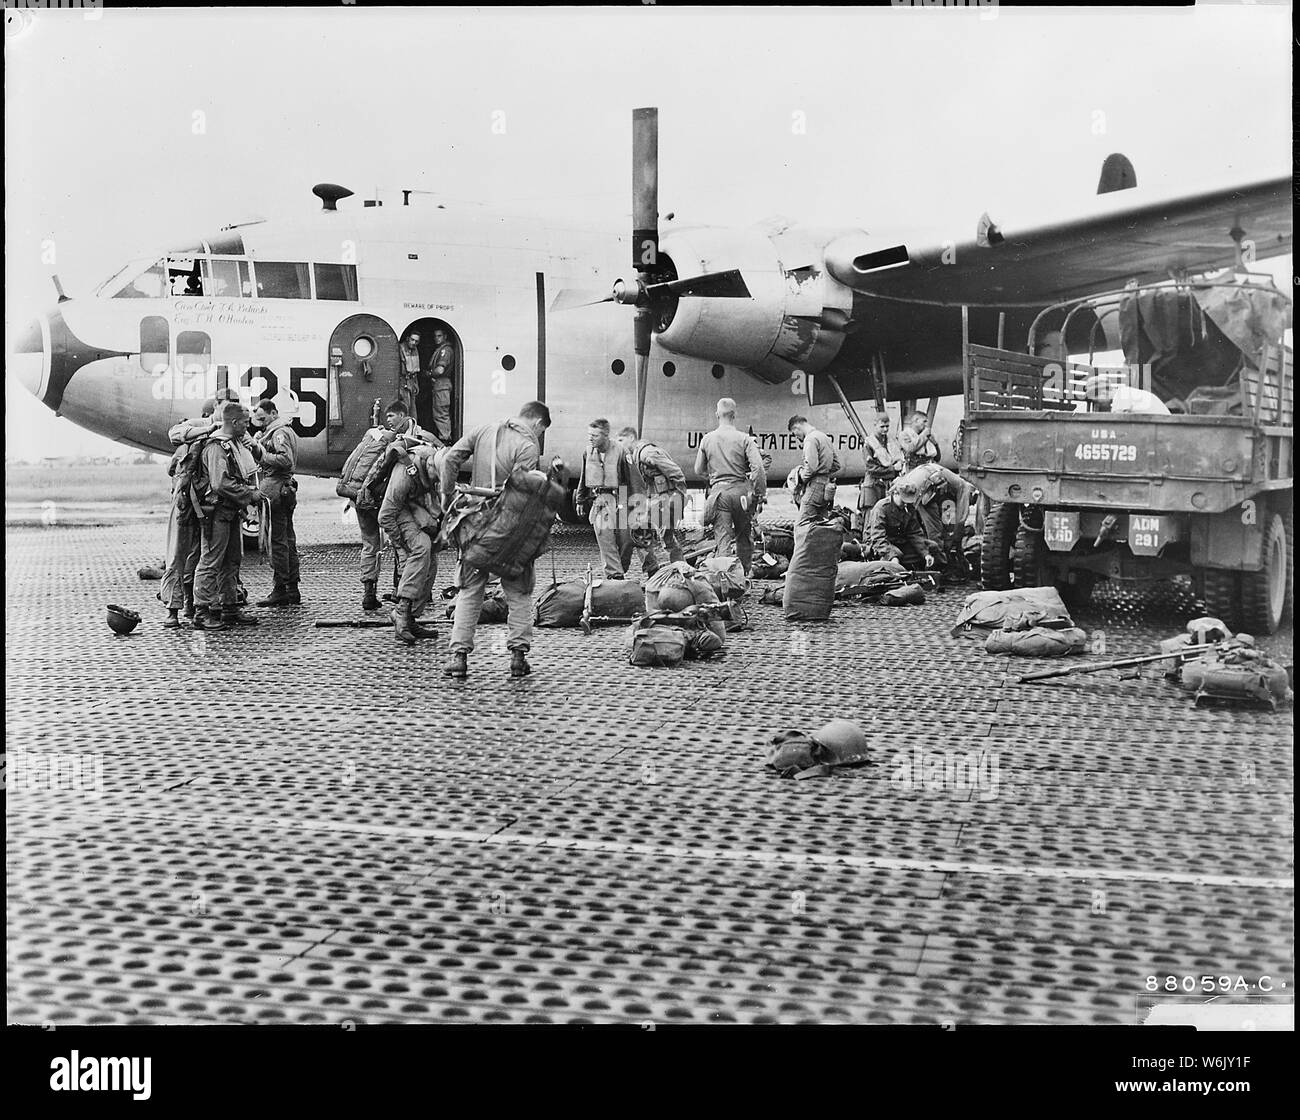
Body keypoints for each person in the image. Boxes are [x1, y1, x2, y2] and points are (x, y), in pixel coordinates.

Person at [439, 400, 558, 679]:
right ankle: (518, 658)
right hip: (508, 529)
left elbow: (449, 459)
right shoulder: (528, 447)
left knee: (469, 590)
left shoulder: (483, 430)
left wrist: (447, 496)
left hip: (474, 523)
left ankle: (459, 658)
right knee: (518, 591)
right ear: (538, 423)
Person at [192, 401, 264, 630]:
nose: (247, 426)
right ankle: (201, 612)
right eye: (244, 422)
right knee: (211, 561)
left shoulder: (232, 444)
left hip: (230, 511)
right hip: (216, 513)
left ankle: (230, 609)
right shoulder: (216, 447)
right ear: (234, 422)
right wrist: (249, 495)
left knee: (232, 560)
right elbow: (220, 483)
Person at [160, 399, 221, 626]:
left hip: (194, 506)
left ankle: (183, 608)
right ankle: (182, 608)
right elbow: (175, 433)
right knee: (187, 556)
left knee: (186, 557)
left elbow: (170, 469)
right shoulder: (201, 437)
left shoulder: (193, 444)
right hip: (193, 506)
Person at [378, 444, 442, 644]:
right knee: (421, 546)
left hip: (412, 505)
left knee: (432, 556)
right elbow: (385, 515)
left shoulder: (435, 468)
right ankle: (401, 612)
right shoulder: (405, 472)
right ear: (430, 465)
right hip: (396, 511)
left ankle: (411, 617)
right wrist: (401, 546)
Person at [694, 398, 766, 575]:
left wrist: (714, 481)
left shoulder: (707, 439)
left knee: (723, 539)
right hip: (742, 493)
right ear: (734, 415)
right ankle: (744, 577)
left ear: (717, 414)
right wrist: (757, 494)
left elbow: (698, 470)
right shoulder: (745, 439)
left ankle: (725, 581)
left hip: (720, 494)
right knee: (744, 536)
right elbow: (758, 468)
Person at [251, 398, 301, 606]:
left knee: (277, 540)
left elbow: (285, 460)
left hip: (276, 489)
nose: (260, 422)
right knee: (286, 539)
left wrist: (261, 455)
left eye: (263, 418)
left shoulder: (279, 432)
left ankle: (281, 588)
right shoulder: (277, 431)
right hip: (281, 489)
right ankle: (291, 588)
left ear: (273, 413)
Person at [617, 426, 687, 570]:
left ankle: (658, 569)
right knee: (662, 538)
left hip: (665, 500)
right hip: (657, 501)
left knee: (640, 531)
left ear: (631, 438)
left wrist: (679, 499)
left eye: (621, 440)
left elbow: (676, 473)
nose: (618, 444)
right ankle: (676, 568)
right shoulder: (635, 456)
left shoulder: (647, 453)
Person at [575, 418, 633, 578]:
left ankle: (619, 569)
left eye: (595, 435)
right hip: (600, 500)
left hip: (621, 499)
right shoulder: (588, 452)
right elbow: (583, 477)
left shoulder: (621, 452)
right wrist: (580, 500)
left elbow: (634, 480)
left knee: (627, 541)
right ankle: (615, 576)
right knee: (606, 540)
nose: (590, 438)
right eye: (589, 434)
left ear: (606, 435)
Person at [899, 462, 975, 571]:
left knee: (942, 531)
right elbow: (960, 520)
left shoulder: (953, 489)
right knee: (942, 532)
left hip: (931, 487)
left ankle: (945, 562)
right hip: (930, 488)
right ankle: (942, 564)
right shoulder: (962, 490)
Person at [866, 479, 935, 571]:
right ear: (895, 494)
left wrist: (925, 554)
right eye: (904, 501)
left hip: (899, 541)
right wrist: (891, 556)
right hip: (880, 544)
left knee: (932, 547)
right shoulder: (882, 508)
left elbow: (914, 533)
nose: (906, 504)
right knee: (896, 557)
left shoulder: (909, 507)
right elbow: (877, 537)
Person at [787, 415, 840, 526]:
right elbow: (836, 465)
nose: (797, 438)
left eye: (794, 434)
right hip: (826, 487)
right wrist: (824, 472)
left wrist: (800, 479)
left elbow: (811, 467)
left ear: (797, 427)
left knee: (802, 524)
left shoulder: (810, 439)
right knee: (821, 524)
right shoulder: (824, 436)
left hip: (814, 487)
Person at [855, 411, 902, 534]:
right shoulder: (869, 444)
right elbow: (872, 469)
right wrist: (893, 469)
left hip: (886, 487)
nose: (885, 429)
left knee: (885, 519)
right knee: (870, 522)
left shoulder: (890, 442)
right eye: (882, 426)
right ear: (875, 425)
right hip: (872, 487)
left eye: (887, 426)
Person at [429, 329, 455, 443]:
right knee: (439, 413)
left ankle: (445, 440)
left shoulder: (445, 350)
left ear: (445, 336)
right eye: (435, 336)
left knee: (441, 414)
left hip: (442, 385)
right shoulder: (441, 349)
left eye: (439, 336)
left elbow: (440, 370)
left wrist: (430, 374)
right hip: (440, 385)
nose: (437, 338)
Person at [398, 333, 422, 419]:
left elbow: (415, 370)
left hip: (412, 382)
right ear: (408, 338)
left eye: (416, 341)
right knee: (405, 407)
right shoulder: (400, 348)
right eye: (412, 340)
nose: (414, 343)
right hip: (403, 382)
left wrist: (416, 383)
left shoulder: (415, 350)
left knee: (412, 409)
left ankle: (412, 429)